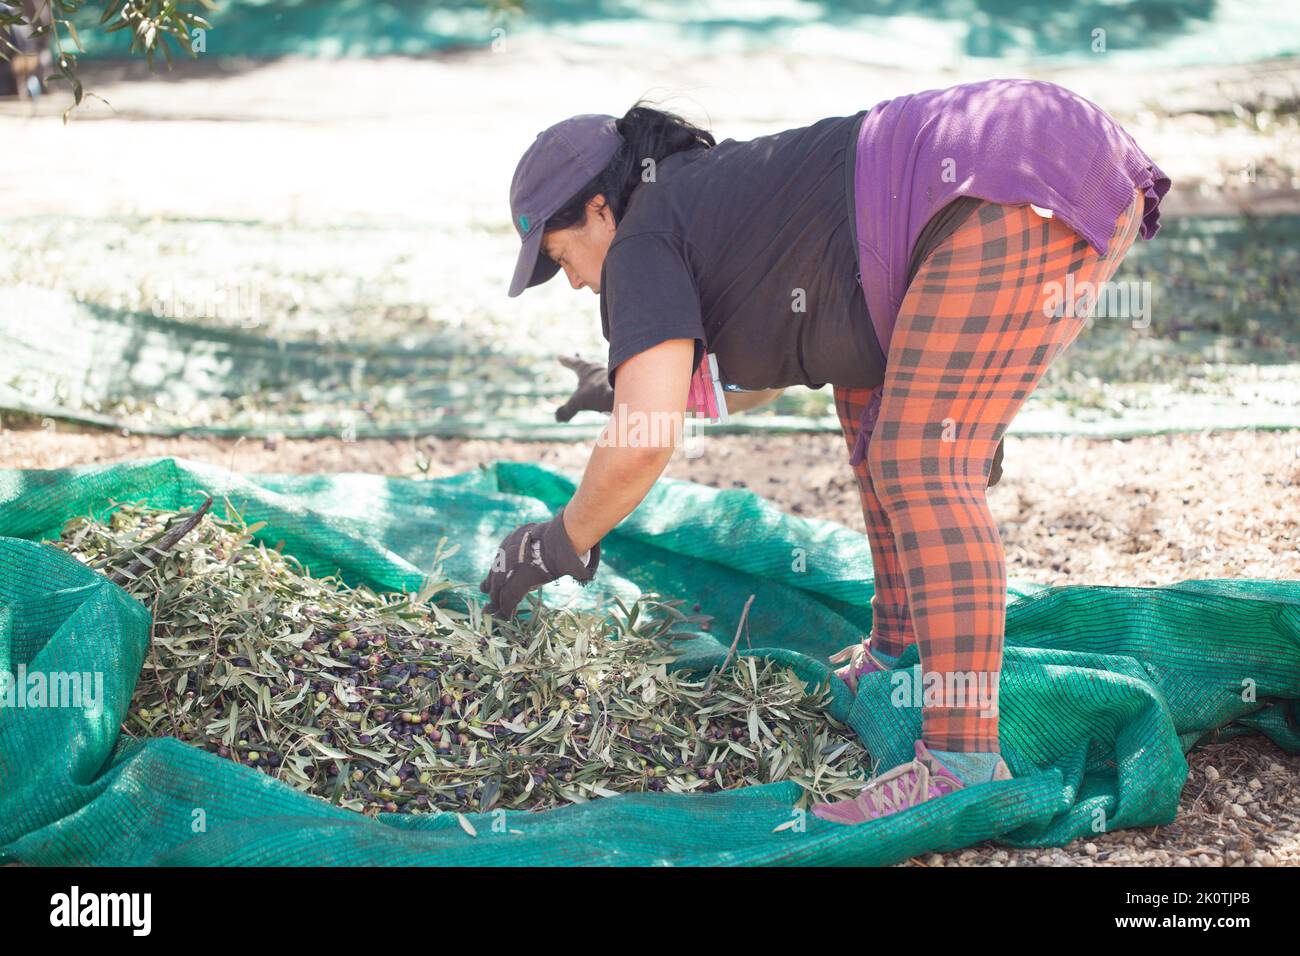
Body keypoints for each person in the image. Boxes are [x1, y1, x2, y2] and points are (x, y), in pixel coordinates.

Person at [479, 80, 1170, 823]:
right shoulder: (691, 206)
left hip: (1006, 178)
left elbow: (645, 442)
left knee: (920, 462)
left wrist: (560, 540)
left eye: (563, 256)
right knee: (867, 403)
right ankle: (898, 654)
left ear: (598, 207)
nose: (578, 282)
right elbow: (742, 385)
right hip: (1033, 162)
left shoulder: (640, 240)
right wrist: (620, 386)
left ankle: (963, 764)